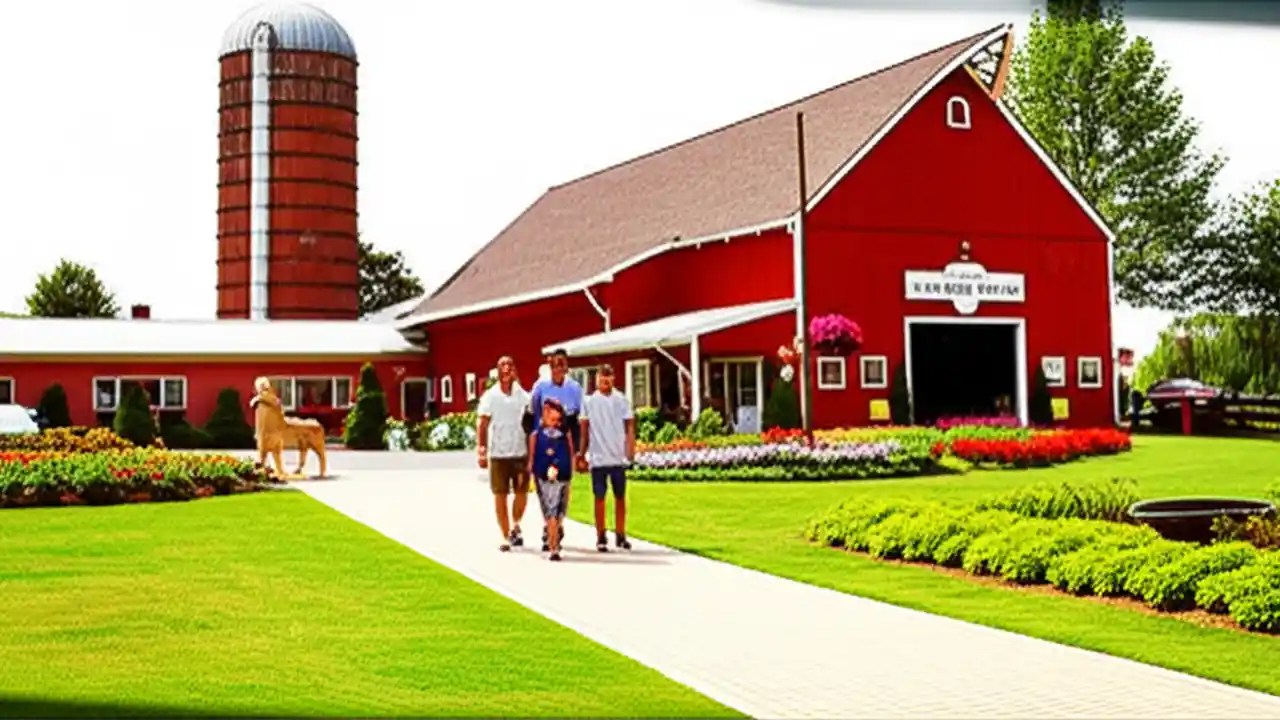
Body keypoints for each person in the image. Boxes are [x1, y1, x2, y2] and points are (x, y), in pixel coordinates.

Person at [529, 348, 584, 551]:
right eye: (556, 363)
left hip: (565, 438)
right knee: (543, 487)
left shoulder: (575, 388)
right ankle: (548, 526)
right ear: (550, 365)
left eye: (563, 363)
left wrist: (578, 451)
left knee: (563, 487)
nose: (560, 367)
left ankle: (557, 525)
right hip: (544, 440)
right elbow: (533, 412)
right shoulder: (540, 387)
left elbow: (579, 419)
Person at [578, 364, 636, 552]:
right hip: (598, 457)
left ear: (613, 379)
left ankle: (620, 533)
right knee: (599, 497)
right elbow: (585, 430)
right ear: (597, 380)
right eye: (602, 379)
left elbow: (629, 426)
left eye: (608, 379)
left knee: (620, 497)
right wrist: (581, 453)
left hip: (617, 457)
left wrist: (630, 449)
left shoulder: (621, 400)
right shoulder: (589, 402)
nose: (605, 382)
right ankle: (601, 535)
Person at [476, 356, 531, 552]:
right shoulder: (490, 396)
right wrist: (481, 450)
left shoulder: (523, 395)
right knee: (500, 494)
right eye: (502, 366)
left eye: (510, 366)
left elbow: (531, 417)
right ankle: (505, 535)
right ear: (497, 371)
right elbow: (482, 424)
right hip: (498, 453)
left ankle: (516, 524)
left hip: (520, 451)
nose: (506, 369)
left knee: (522, 492)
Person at [528, 398, 575, 562]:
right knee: (550, 512)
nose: (556, 423)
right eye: (553, 419)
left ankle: (555, 538)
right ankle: (553, 546)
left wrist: (569, 471)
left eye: (558, 420)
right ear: (545, 414)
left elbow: (569, 454)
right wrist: (533, 474)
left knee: (560, 511)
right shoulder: (537, 435)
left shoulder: (564, 435)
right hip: (543, 478)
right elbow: (532, 458)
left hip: (563, 477)